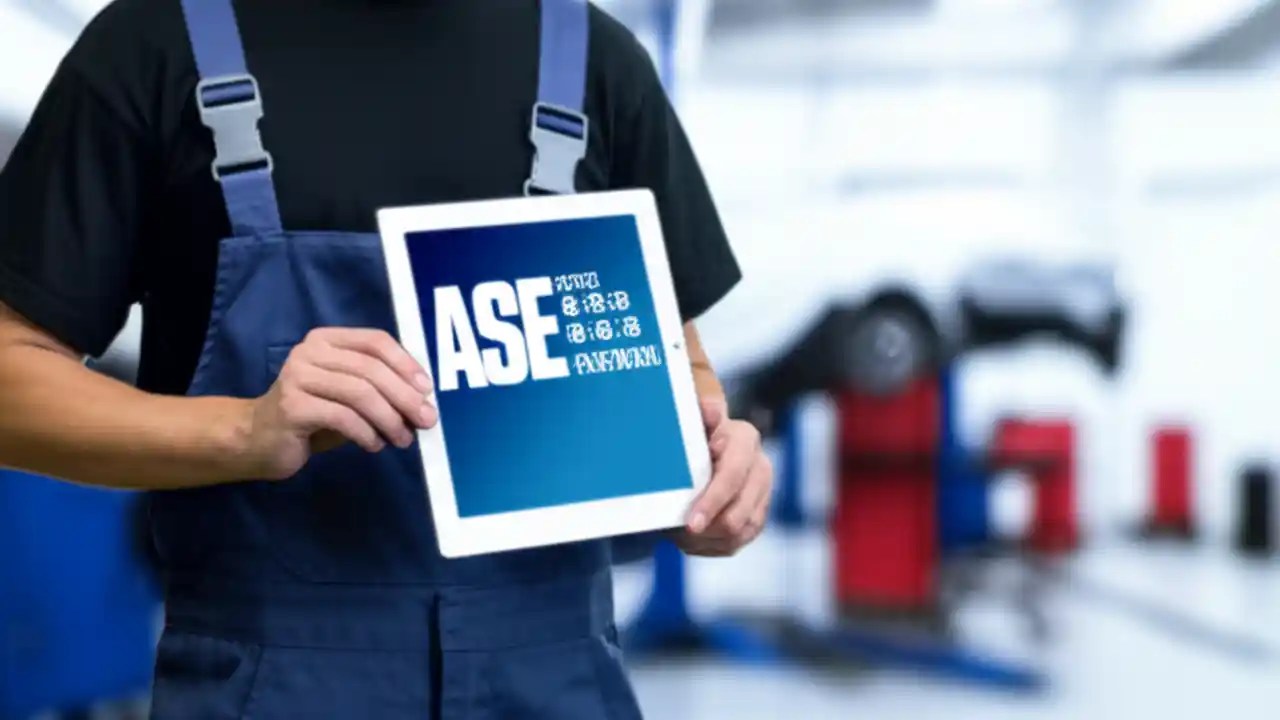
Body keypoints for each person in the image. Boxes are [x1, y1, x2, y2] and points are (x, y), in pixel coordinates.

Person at [0, 0, 773, 717]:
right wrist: (241, 431)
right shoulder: (156, 45)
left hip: (558, 680)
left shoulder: (594, 61)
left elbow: (680, 366)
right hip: (275, 684)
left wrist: (711, 471)